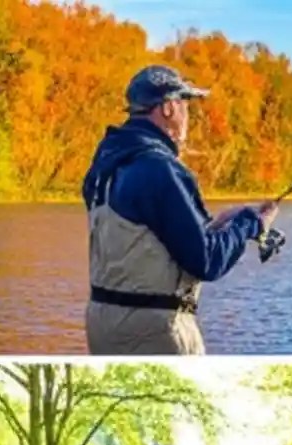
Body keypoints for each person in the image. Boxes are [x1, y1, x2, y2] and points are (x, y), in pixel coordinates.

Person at [81, 64, 280, 355]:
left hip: (102, 325)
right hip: (155, 330)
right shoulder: (159, 167)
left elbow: (140, 241)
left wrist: (219, 223)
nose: (189, 117)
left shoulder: (104, 168)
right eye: (185, 105)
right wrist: (251, 224)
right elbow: (207, 261)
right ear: (168, 108)